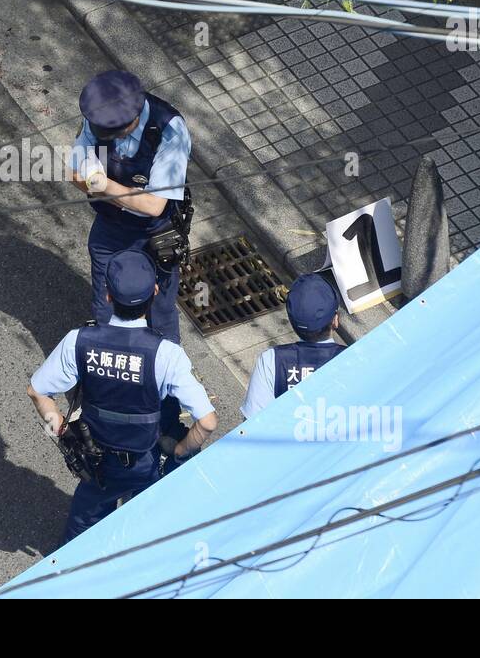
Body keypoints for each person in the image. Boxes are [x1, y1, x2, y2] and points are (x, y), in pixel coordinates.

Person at [27, 250, 217, 544]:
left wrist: (62, 429)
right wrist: (179, 452)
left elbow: (37, 391)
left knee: (82, 528)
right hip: (147, 458)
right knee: (146, 522)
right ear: (155, 293)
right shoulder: (167, 354)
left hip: (96, 457)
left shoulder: (78, 341)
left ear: (107, 296)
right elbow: (206, 422)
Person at [68, 70, 192, 344]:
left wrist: (101, 184)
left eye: (114, 133)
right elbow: (74, 174)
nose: (107, 138)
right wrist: (127, 195)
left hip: (156, 235)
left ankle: (167, 375)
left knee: (160, 311)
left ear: (134, 119)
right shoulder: (99, 114)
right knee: (104, 305)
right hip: (110, 229)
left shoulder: (169, 130)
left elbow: (154, 206)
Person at [241, 273, 345, 420]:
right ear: (335, 320)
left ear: (292, 322)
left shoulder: (271, 360)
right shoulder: (354, 358)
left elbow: (251, 427)